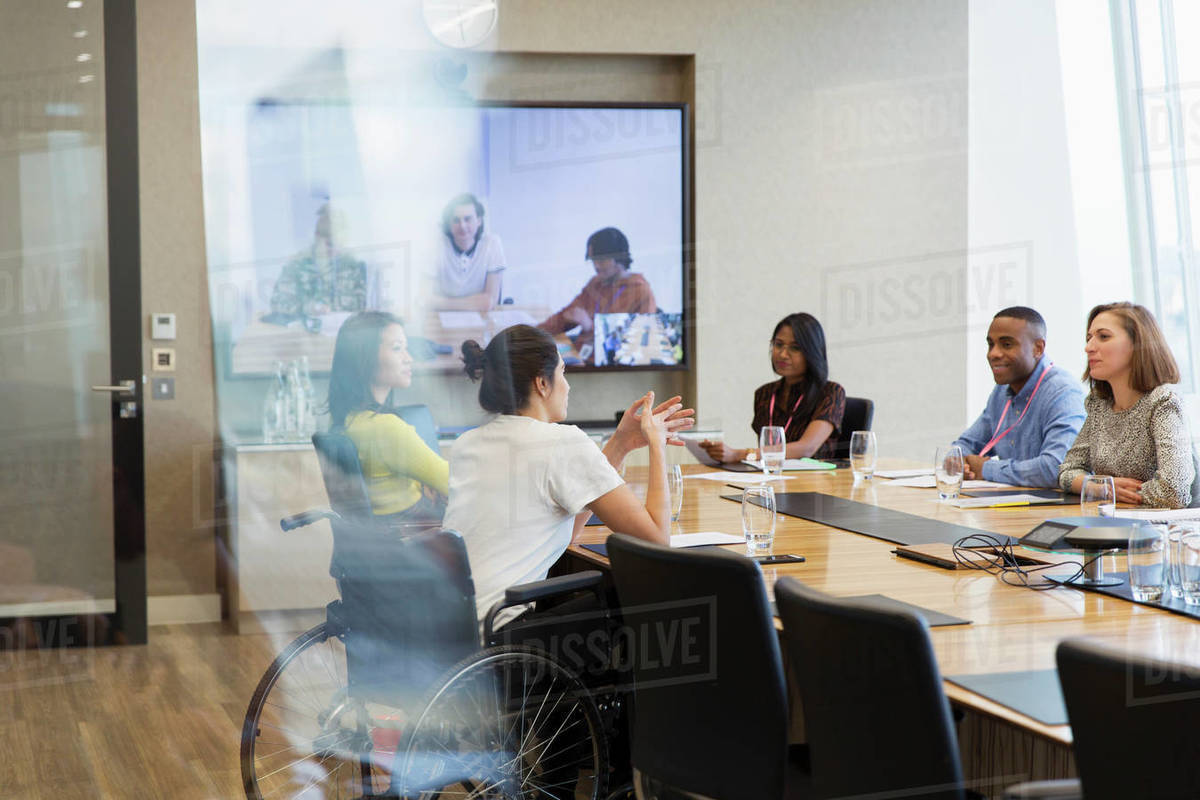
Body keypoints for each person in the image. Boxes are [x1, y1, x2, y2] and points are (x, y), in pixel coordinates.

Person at [444, 324, 694, 623]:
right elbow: (656, 542)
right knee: (636, 598)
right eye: (563, 372)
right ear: (542, 384)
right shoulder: (561, 441)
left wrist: (621, 444)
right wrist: (656, 444)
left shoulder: (467, 444)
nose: (568, 385)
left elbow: (565, 531)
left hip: (454, 634)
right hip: (505, 634)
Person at [1058, 302, 1197, 508]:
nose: (1089, 347)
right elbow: (1067, 471)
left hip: (1165, 532)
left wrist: (1107, 490)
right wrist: (1101, 487)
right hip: (1118, 521)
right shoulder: (1099, 404)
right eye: (1089, 338)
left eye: (1103, 337)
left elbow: (1174, 492)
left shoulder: (1164, 401)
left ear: (1137, 344)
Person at [327, 311, 449, 526]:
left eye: (406, 348)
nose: (408, 358)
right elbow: (454, 484)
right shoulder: (386, 428)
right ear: (365, 358)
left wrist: (422, 483)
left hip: (388, 546)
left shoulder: (350, 421)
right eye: (397, 348)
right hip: (417, 544)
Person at [953, 307, 1085, 487]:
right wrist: (957, 461)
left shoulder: (1062, 393)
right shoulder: (1002, 392)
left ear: (1038, 348)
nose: (993, 354)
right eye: (991, 344)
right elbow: (966, 444)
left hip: (1054, 512)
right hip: (1014, 508)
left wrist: (986, 469)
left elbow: (1057, 468)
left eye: (1006, 344)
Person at [700, 313, 845, 463]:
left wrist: (739, 455)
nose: (782, 354)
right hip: (772, 477)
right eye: (779, 344)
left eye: (795, 348)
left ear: (812, 352)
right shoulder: (764, 394)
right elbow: (766, 449)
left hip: (813, 482)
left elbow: (806, 448)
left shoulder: (831, 392)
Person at [538, 227, 657, 335]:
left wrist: (590, 326)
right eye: (593, 260)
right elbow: (564, 317)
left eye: (601, 260)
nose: (596, 266)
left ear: (619, 258)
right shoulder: (595, 283)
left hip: (607, 358)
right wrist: (530, 335)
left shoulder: (641, 292)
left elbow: (642, 342)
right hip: (581, 354)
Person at [270, 203, 367, 321]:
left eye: (341, 244)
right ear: (317, 237)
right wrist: (310, 308)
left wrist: (332, 308)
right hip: (304, 334)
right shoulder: (297, 264)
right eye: (330, 244)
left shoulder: (352, 264)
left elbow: (361, 303)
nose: (336, 250)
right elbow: (278, 303)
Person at [433, 193, 506, 312]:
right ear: (449, 224)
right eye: (456, 220)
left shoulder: (492, 243)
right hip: (443, 320)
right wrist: (475, 302)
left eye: (468, 219)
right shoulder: (435, 246)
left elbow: (489, 302)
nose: (462, 226)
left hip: (481, 319)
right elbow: (425, 300)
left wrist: (442, 302)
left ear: (479, 221)